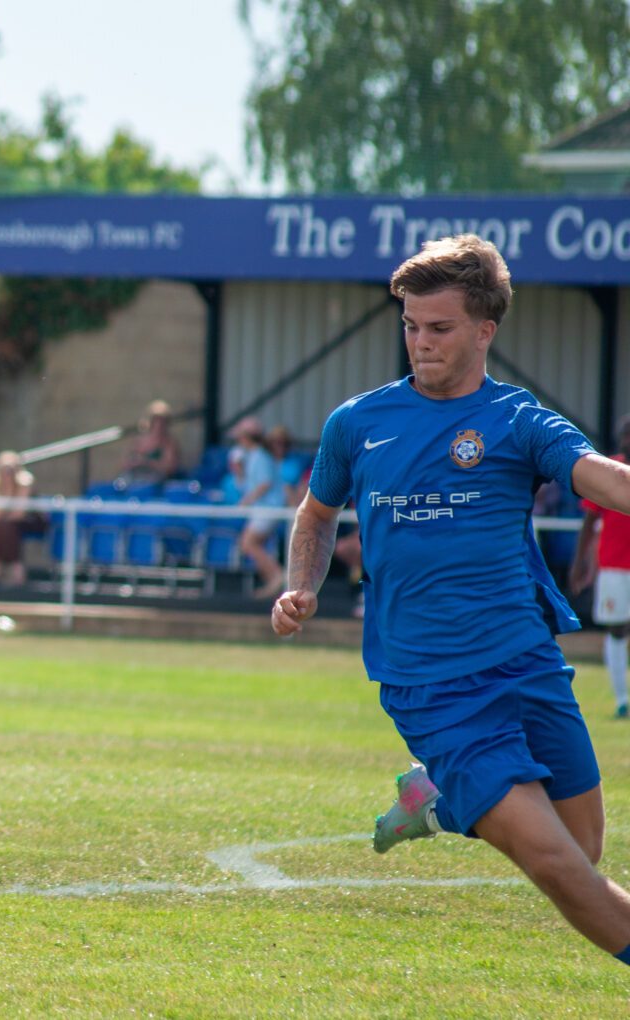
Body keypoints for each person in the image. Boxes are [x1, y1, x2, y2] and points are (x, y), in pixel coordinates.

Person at [272, 233, 630, 968]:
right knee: (559, 869)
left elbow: (604, 479)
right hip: (431, 684)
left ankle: (436, 801)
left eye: (439, 329)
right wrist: (300, 585)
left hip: (527, 663)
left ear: (484, 330)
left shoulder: (517, 419)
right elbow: (315, 515)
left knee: (583, 852)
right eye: (409, 326)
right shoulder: (358, 424)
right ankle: (453, 782)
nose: (419, 343)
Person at [569, 415, 630, 719]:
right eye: (625, 436)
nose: (627, 441)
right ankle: (622, 699)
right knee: (617, 629)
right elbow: (590, 519)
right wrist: (580, 563)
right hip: (615, 565)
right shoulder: (609, 470)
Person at [233, 418, 285, 597]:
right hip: (262, 509)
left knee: (248, 543)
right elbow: (247, 483)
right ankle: (273, 578)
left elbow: (265, 484)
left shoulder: (260, 456)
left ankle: (276, 576)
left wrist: (247, 500)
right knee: (251, 544)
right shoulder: (253, 457)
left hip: (268, 509)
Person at [0, 450, 38, 588]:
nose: (7, 473)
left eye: (10, 469)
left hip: (32, 521)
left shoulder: (25, 481)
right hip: (8, 523)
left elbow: (19, 513)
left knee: (6, 526)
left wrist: (10, 488)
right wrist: (5, 488)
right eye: (3, 469)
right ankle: (10, 567)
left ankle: (1, 567)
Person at [116, 399, 182, 483]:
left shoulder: (169, 443)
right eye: (155, 420)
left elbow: (170, 468)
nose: (158, 424)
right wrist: (135, 462)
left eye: (162, 421)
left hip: (156, 481)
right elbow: (124, 463)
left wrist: (148, 463)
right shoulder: (138, 441)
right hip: (134, 476)